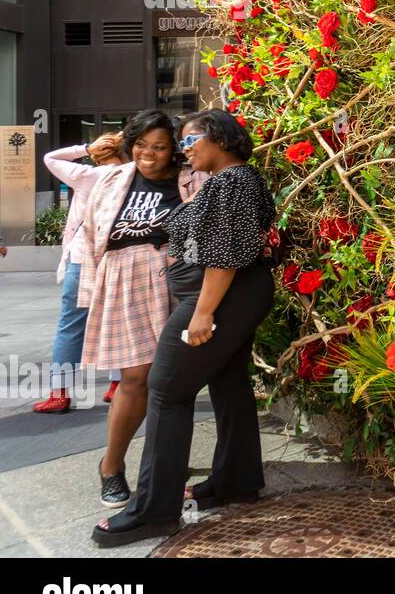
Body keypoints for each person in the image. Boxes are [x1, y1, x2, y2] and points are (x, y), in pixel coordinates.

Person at [93, 109, 276, 547]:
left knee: (166, 389)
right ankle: (235, 480)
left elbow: (226, 254)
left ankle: (154, 511)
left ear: (219, 140)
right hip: (233, 293)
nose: (183, 149)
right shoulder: (229, 181)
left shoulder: (232, 181)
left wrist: (202, 312)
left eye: (191, 141)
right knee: (228, 381)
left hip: (219, 295)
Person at [77, 111, 205, 509]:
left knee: (169, 379)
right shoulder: (113, 178)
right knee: (135, 378)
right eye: (142, 145)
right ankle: (111, 466)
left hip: (173, 278)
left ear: (174, 150)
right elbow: (91, 232)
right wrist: (90, 292)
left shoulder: (192, 180)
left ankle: (161, 463)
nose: (149, 154)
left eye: (160, 146)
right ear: (131, 143)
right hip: (123, 278)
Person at [33, 134, 127, 413]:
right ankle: (117, 384)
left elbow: (50, 158)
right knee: (119, 320)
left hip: (83, 257)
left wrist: (83, 149)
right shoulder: (134, 175)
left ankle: (60, 392)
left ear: (99, 152)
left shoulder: (87, 174)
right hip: (119, 255)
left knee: (71, 326)